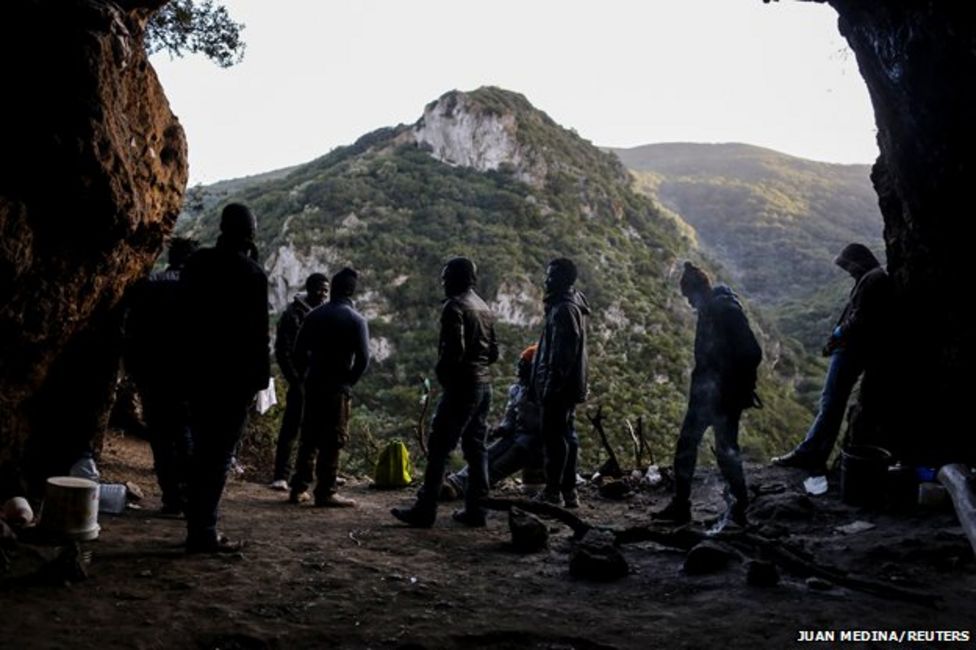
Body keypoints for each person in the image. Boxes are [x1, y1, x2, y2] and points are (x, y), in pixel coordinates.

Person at [180, 203, 270, 553]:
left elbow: (184, 317)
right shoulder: (251, 274)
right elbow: (258, 336)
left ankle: (195, 524)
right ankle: (204, 530)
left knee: (200, 449)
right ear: (249, 233)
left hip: (196, 372)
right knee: (218, 455)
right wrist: (259, 382)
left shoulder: (196, 263)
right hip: (232, 379)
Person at [392, 257, 499, 527]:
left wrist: (445, 379)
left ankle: (425, 509)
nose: (442, 283)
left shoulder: (454, 307)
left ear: (457, 278)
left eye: (445, 278)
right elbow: (494, 352)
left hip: (462, 386)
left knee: (439, 446)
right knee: (476, 448)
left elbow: (454, 352)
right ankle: (477, 510)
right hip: (484, 385)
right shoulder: (484, 307)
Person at [654, 262, 762, 526]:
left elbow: (752, 352)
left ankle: (739, 507)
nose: (689, 303)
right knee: (692, 447)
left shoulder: (725, 310)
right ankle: (684, 505)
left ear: (699, 290)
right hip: (707, 394)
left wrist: (730, 382)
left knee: (724, 451)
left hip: (724, 396)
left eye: (689, 296)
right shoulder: (710, 310)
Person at [771, 243, 892, 474]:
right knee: (832, 404)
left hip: (852, 350)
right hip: (853, 348)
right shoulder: (870, 277)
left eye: (848, 266)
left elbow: (858, 318)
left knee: (830, 403)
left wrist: (837, 335)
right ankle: (816, 453)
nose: (847, 271)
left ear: (857, 262)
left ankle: (810, 454)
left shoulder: (872, 280)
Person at [125, 237, 198, 516]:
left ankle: (171, 498)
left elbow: (131, 328)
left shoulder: (148, 285)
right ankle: (190, 497)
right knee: (186, 435)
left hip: (152, 374)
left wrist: (134, 369)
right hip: (187, 376)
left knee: (161, 437)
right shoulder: (199, 289)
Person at [288, 268, 369, 507]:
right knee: (333, 439)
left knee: (309, 436)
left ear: (332, 288)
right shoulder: (356, 320)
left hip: (314, 383)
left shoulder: (314, 316)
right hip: (337, 386)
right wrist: (348, 382)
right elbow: (363, 359)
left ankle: (298, 488)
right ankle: (325, 491)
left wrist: (305, 376)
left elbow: (298, 351)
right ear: (352, 291)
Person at [443, 344, 544, 499]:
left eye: (524, 363)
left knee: (500, 466)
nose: (519, 367)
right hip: (516, 436)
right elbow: (510, 419)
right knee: (487, 454)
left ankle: (466, 489)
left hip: (532, 442)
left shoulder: (542, 392)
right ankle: (456, 482)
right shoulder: (517, 389)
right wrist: (498, 430)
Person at [532, 258, 589, 508]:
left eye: (551, 275)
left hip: (558, 388)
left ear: (563, 279)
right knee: (566, 436)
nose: (547, 280)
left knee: (554, 439)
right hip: (567, 387)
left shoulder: (563, 310)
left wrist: (550, 387)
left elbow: (562, 355)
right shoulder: (568, 305)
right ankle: (569, 492)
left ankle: (553, 491)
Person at [269, 273, 329, 490]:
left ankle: (315, 473)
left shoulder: (324, 312)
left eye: (325, 290)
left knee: (321, 428)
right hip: (301, 380)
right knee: (291, 428)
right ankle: (280, 476)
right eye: (319, 289)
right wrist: (295, 379)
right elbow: (282, 350)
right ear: (309, 288)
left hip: (321, 380)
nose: (322, 294)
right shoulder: (292, 314)